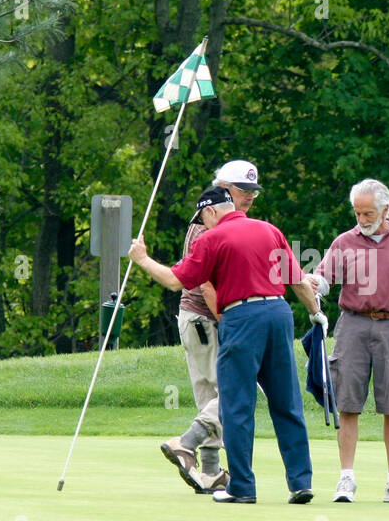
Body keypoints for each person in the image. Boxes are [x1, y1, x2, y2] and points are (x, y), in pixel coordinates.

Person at [130, 185, 326, 504]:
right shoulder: (268, 229)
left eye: (202, 218)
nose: (202, 225)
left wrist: (142, 259)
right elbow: (296, 280)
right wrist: (315, 313)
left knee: (237, 405)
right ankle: (301, 482)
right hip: (278, 313)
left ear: (210, 211)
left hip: (241, 315)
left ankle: (242, 488)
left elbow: (174, 281)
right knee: (287, 402)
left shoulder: (211, 238)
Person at [309, 179, 389, 504]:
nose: (362, 220)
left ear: (386, 209)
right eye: (358, 213)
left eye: (368, 213)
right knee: (348, 405)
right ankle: (346, 479)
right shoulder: (344, 242)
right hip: (352, 326)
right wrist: (311, 282)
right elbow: (324, 281)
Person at [160, 161, 265, 494]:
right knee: (236, 391)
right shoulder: (207, 224)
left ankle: (209, 471)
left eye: (251, 192)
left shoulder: (224, 221)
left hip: (203, 321)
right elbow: (206, 285)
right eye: (241, 190)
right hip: (208, 318)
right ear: (222, 188)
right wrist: (230, 322)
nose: (248, 197)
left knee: (212, 395)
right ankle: (186, 443)